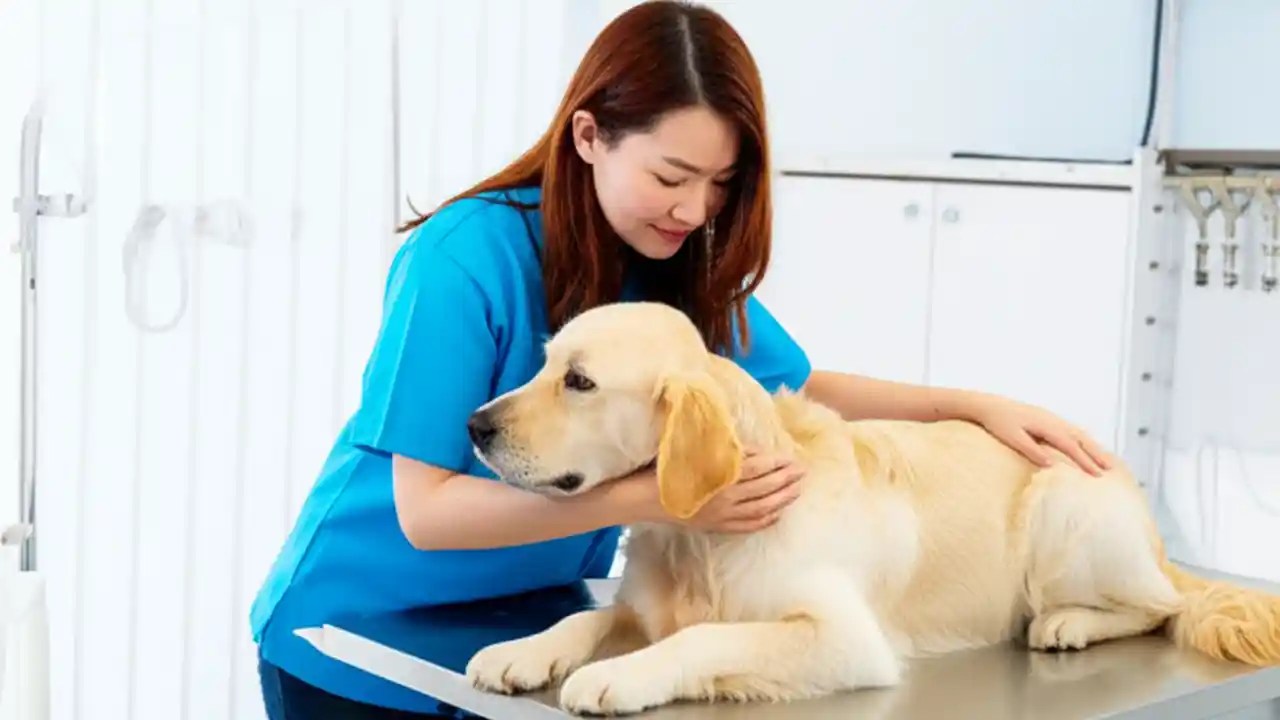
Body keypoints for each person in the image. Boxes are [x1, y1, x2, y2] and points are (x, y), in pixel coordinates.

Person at [249, 1, 1116, 717]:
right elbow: (426, 513)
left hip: (528, 625)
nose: (696, 210)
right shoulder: (460, 258)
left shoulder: (668, 279)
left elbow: (798, 388)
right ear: (589, 136)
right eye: (671, 177)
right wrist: (665, 497)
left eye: (721, 185)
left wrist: (974, 407)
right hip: (357, 629)